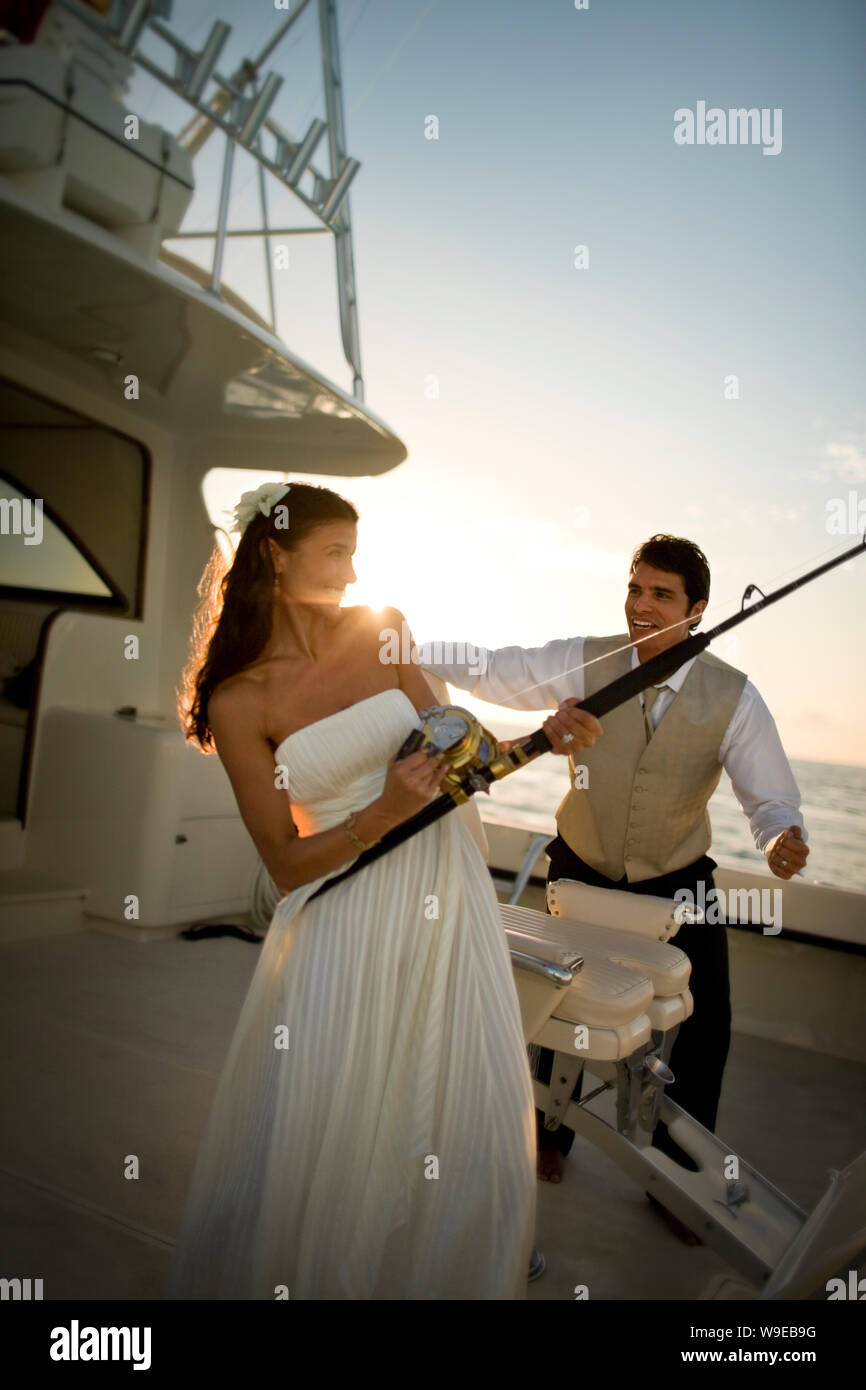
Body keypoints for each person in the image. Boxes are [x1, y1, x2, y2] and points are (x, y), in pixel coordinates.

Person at [164, 480, 600, 1299]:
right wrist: (385, 808)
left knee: (458, 1104)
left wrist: (548, 735)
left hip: (449, 896)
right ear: (274, 554)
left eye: (356, 555)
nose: (353, 576)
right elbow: (285, 864)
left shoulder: (387, 633)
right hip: (342, 914)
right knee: (344, 1115)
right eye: (335, 554)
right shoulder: (239, 699)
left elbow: (466, 763)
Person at [420, 534, 809, 1239]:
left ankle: (672, 1175)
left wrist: (782, 838)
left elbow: (769, 799)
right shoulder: (585, 659)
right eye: (635, 589)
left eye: (661, 595)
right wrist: (400, 647)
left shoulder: (735, 696)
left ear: (696, 611)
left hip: (678, 878)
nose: (641, 606)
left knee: (706, 1025)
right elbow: (494, 669)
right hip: (580, 864)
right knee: (555, 997)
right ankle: (545, 1136)